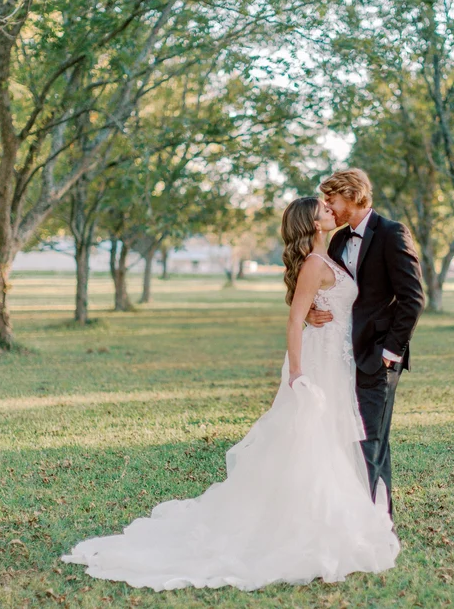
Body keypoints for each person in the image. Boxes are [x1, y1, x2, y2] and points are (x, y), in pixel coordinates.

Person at [62, 196, 399, 592]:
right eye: (323, 209)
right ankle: (305, 525)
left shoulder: (331, 255)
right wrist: (297, 375)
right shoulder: (313, 263)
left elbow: (317, 303)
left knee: (331, 437)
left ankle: (334, 516)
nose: (330, 210)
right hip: (318, 361)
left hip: (339, 358)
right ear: (312, 223)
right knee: (312, 436)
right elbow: (294, 319)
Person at [309, 169, 426, 518]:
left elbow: (412, 299)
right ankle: (376, 521)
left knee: (369, 441)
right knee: (360, 439)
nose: (328, 208)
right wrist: (311, 313)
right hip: (343, 356)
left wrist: (390, 353)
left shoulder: (392, 234)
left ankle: (370, 527)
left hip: (378, 356)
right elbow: (330, 291)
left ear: (352, 195)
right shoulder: (339, 240)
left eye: (332, 200)